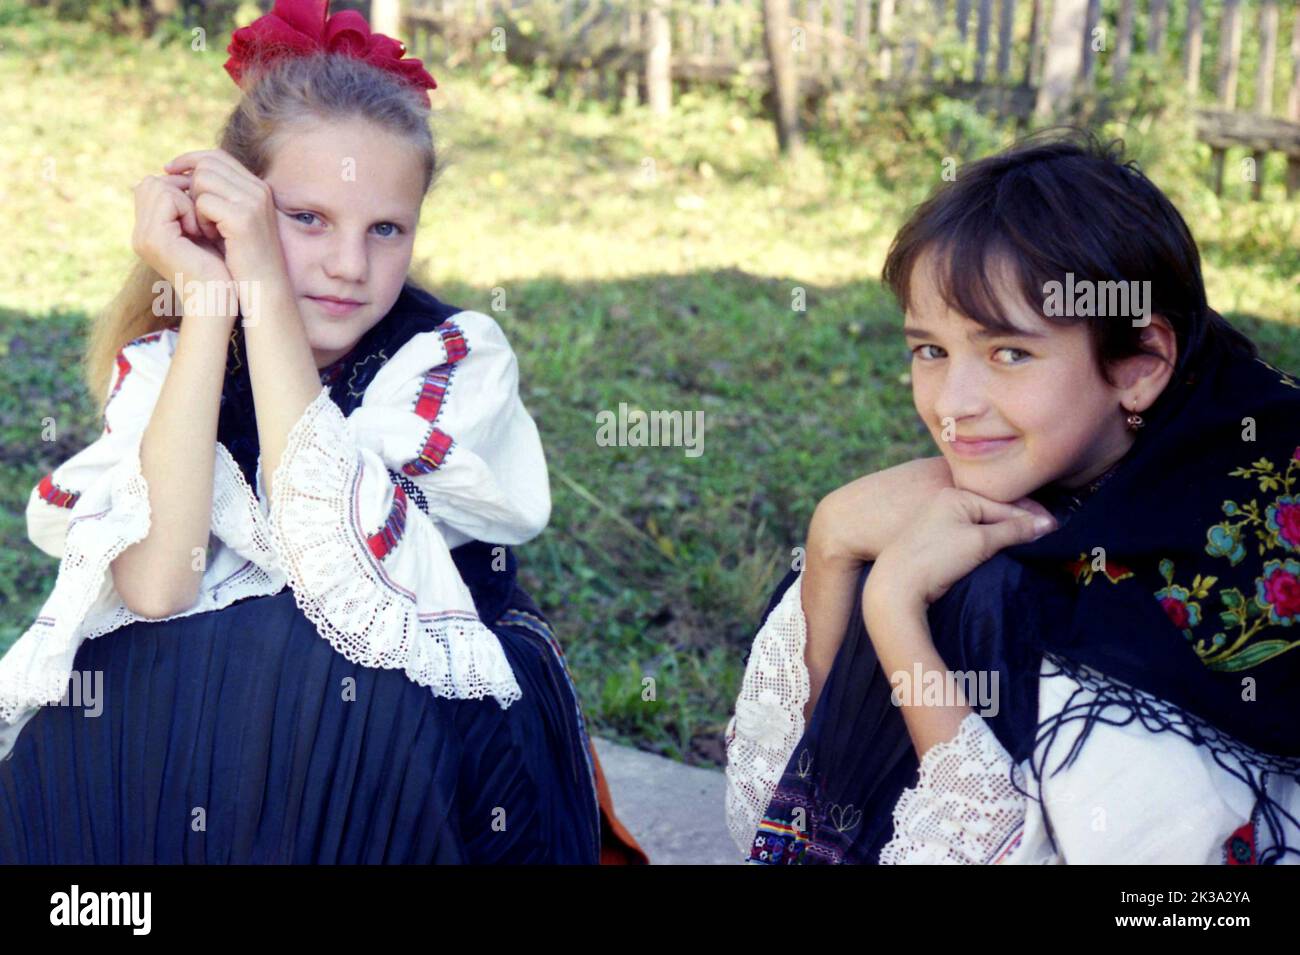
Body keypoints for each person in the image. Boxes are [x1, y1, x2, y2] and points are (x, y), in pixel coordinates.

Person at [0, 0, 646, 865]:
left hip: (412, 713)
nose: (350, 265)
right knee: (125, 674)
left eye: (386, 229)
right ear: (235, 210)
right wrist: (214, 304)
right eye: (305, 220)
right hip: (234, 715)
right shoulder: (172, 361)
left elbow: (344, 575)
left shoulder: (450, 358)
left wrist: (268, 271)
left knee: (308, 664)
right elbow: (158, 585)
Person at [725, 129, 1300, 864]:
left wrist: (895, 612)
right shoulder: (1050, 476)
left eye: (1009, 353)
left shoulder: (1231, 552)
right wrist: (833, 540)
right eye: (930, 350)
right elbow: (774, 814)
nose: (952, 406)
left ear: (1142, 364)